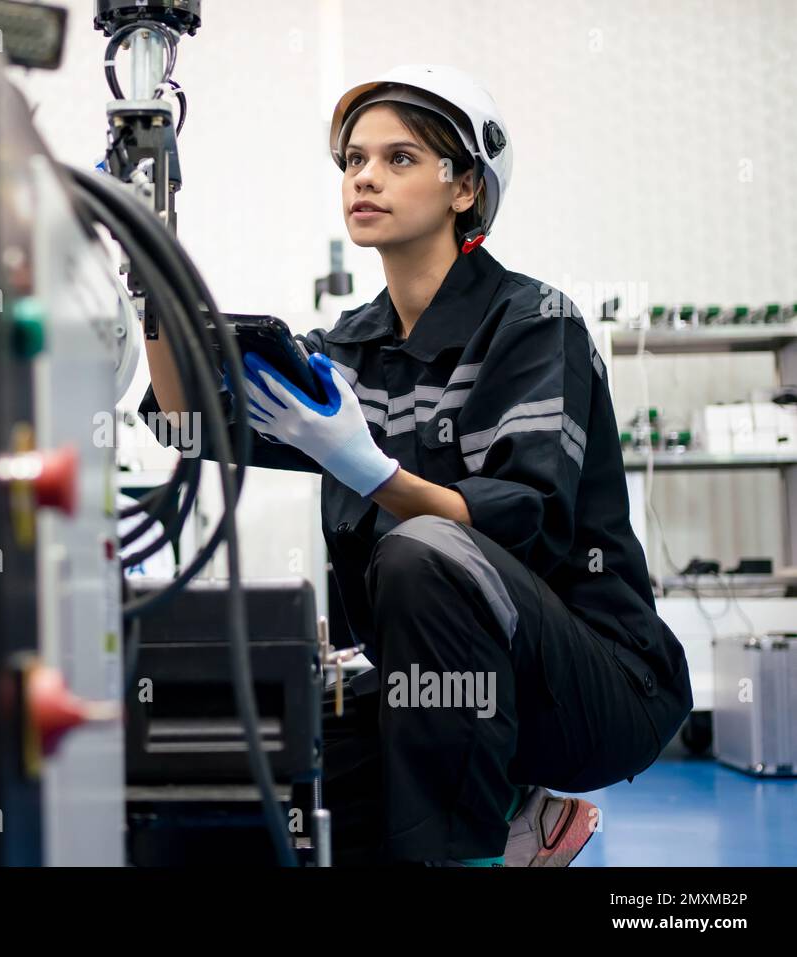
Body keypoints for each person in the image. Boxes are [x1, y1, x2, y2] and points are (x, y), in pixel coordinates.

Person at [137, 64, 693, 866]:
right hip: (435, 688)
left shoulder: (537, 325)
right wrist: (148, 259)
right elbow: (190, 421)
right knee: (268, 762)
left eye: (399, 159)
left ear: (464, 186)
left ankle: (476, 839)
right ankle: (521, 816)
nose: (365, 176)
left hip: (596, 688)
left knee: (422, 549)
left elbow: (522, 523)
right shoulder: (350, 346)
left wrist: (366, 468)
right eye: (354, 160)